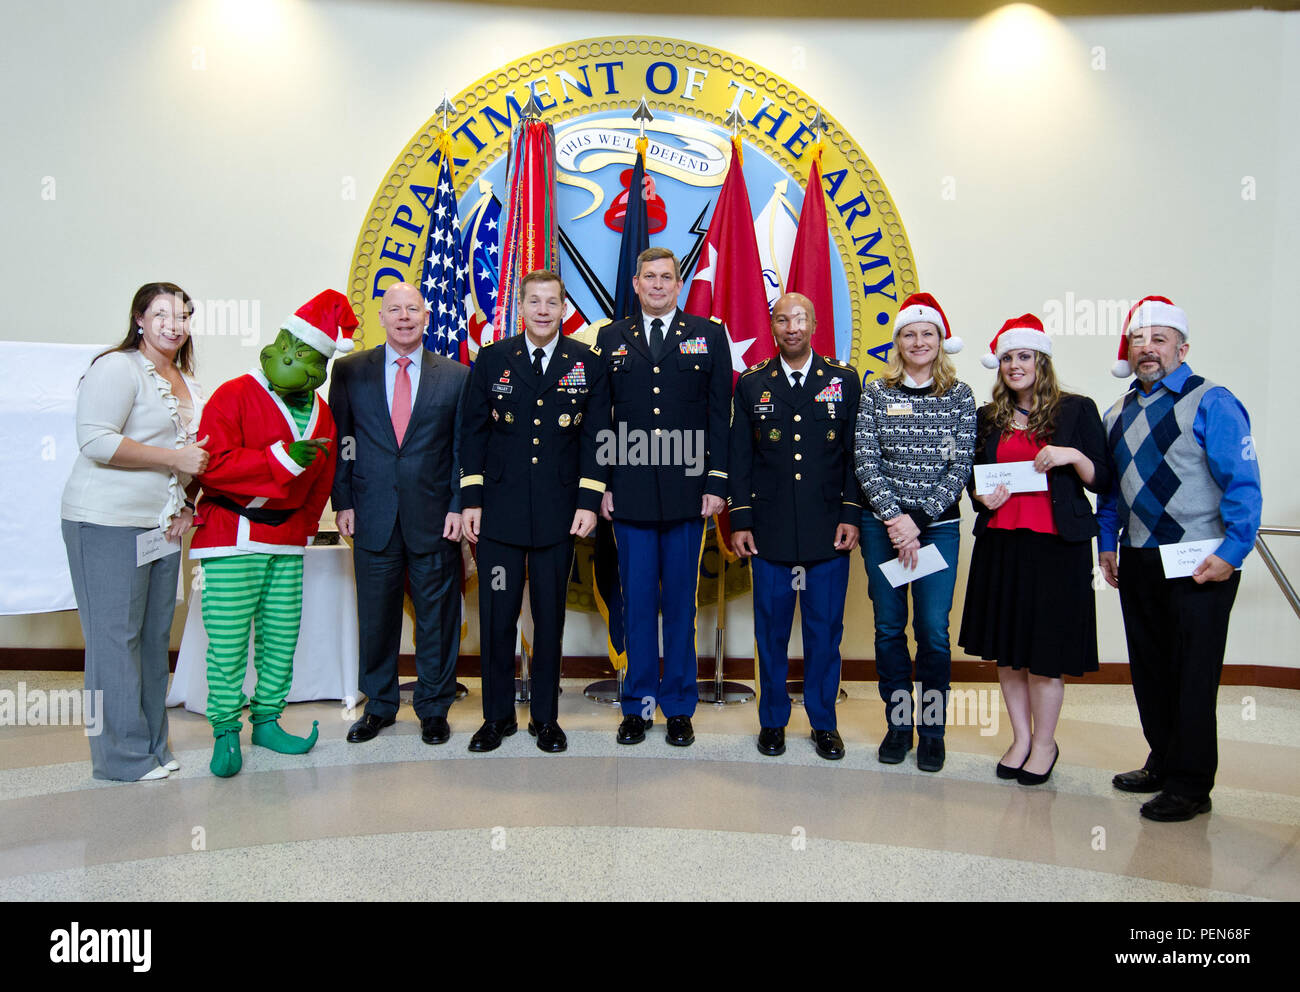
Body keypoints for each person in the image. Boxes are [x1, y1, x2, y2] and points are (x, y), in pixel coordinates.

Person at [1098, 295, 1262, 821]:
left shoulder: (1213, 401)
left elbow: (1243, 484)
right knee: (1150, 669)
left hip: (1201, 560)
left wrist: (1233, 553)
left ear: (1182, 347)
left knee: (1193, 673)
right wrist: (1107, 545)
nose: (1148, 349)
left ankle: (1191, 784)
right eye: (1138, 340)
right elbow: (1109, 491)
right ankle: (1163, 760)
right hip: (1140, 557)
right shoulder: (1116, 412)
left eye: (1160, 339)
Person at [189, 290, 349, 777]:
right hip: (232, 536)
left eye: (318, 361)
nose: (308, 368)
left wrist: (300, 531)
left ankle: (267, 720)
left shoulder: (322, 411)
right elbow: (210, 465)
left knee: (282, 637)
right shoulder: (233, 394)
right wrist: (280, 459)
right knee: (229, 639)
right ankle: (223, 729)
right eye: (301, 355)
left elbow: (321, 481)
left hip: (285, 543)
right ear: (278, 347)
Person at [61, 282, 209, 781]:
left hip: (160, 528)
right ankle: (120, 758)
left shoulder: (185, 377)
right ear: (140, 319)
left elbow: (191, 460)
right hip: (105, 522)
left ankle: (151, 745)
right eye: (162, 313)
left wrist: (188, 502)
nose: (175, 323)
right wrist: (175, 459)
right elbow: (96, 441)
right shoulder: (118, 367)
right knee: (114, 639)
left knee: (150, 638)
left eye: (183, 314)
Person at [458, 270, 610, 753]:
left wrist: (588, 500)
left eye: (552, 302)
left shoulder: (586, 362)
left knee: (549, 618)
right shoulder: (495, 358)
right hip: (499, 515)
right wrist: (471, 502)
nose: (543, 310)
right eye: (534, 302)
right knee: (497, 616)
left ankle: (546, 718)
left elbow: (597, 437)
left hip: (558, 514)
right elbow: (473, 433)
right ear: (519, 307)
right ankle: (496, 717)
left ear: (564, 309)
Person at [957, 314, 1111, 786]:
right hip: (1003, 542)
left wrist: (1073, 456)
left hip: (1056, 548)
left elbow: (1104, 479)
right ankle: (1020, 738)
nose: (1014, 365)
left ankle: (1045, 743)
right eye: (1006, 358)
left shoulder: (1077, 410)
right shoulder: (989, 417)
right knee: (1008, 651)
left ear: (1041, 361)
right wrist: (981, 497)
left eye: (1023, 356)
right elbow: (973, 480)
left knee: (1045, 651)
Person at [596, 247, 731, 747]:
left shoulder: (708, 335)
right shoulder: (611, 338)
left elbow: (721, 416)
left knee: (680, 604)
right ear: (635, 284)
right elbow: (599, 419)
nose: (657, 285)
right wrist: (603, 485)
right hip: (628, 493)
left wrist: (717, 482)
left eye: (666, 277)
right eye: (648, 277)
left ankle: (677, 706)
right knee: (634, 604)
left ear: (679, 284)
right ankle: (637, 705)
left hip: (687, 494)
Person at [329, 282, 469, 746]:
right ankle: (380, 705)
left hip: (435, 517)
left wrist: (457, 505)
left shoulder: (455, 376)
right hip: (371, 514)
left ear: (426, 316)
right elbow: (341, 443)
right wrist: (343, 501)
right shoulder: (350, 371)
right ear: (382, 317)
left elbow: (461, 450)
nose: (404, 317)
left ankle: (433, 707)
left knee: (438, 617)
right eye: (395, 310)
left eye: (413, 309)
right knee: (376, 616)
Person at [728, 293, 861, 760]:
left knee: (826, 632)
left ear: (814, 324)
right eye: (782, 319)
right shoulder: (751, 384)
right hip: (770, 531)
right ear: (772, 326)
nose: (791, 327)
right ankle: (773, 721)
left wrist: (850, 513)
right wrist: (739, 519)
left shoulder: (843, 381)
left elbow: (853, 456)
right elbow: (739, 459)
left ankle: (824, 721)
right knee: (771, 633)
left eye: (799, 319)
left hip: (829, 531)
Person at [855, 291, 974, 773]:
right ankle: (898, 725)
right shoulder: (877, 394)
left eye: (928, 334)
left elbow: (960, 464)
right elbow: (865, 458)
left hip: (937, 529)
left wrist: (917, 521)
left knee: (932, 632)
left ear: (940, 342)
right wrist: (894, 519)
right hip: (882, 527)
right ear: (897, 343)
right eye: (910, 334)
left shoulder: (960, 395)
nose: (919, 341)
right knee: (888, 630)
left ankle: (932, 732)